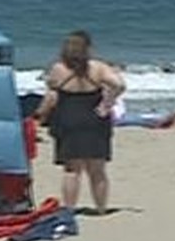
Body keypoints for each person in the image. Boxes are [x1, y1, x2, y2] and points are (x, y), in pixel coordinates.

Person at [34, 30, 127, 215]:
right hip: (95, 119)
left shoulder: (58, 69)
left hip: (68, 118)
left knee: (72, 169)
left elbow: (51, 97)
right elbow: (119, 85)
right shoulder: (98, 67)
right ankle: (101, 208)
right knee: (97, 169)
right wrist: (107, 104)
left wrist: (39, 115)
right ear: (88, 48)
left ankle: (69, 210)